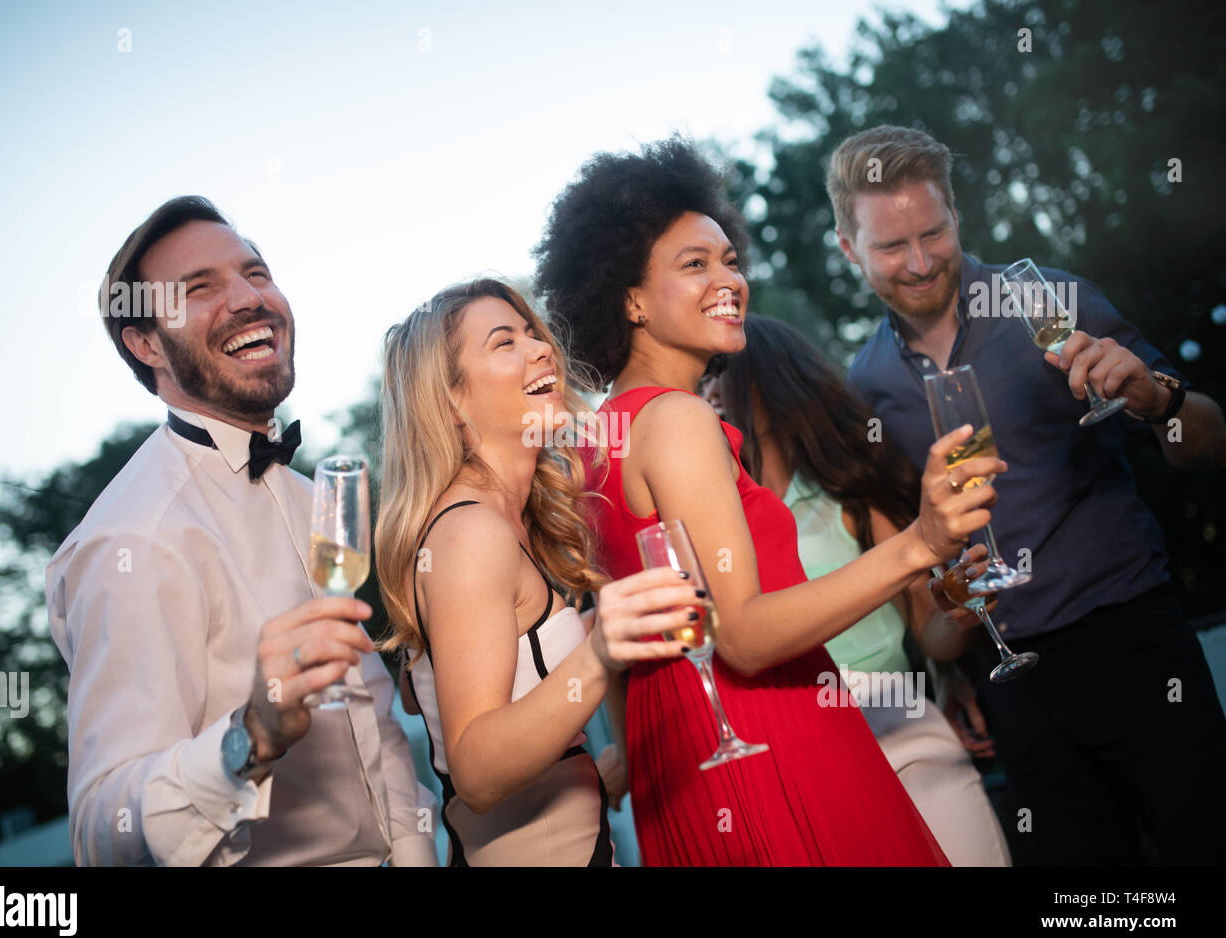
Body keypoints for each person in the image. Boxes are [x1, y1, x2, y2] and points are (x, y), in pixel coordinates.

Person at [532, 136, 1004, 866]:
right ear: (627, 297)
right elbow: (745, 634)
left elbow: (624, 656)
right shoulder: (679, 419)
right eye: (694, 264)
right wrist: (920, 543)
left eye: (730, 259)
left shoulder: (594, 443)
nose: (729, 279)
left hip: (684, 762)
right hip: (774, 737)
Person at [831, 124, 1226, 865]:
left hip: (1132, 638)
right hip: (1009, 676)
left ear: (956, 216)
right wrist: (946, 664)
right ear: (850, 249)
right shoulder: (865, 386)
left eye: (934, 232)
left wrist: (1158, 400)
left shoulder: (1048, 299)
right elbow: (913, 565)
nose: (919, 263)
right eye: (891, 246)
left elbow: (1208, 440)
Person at [46, 196, 437, 866]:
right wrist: (249, 736)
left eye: (255, 274)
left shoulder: (319, 499)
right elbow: (99, 828)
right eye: (199, 288)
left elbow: (377, 734)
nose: (247, 298)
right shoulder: (133, 540)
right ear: (145, 345)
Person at [374, 278, 695, 865]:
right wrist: (601, 653)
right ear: (450, 400)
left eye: (531, 332)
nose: (542, 347)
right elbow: (475, 769)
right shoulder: (471, 533)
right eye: (503, 343)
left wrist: (592, 772)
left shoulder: (498, 520)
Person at [701, 314, 1011, 866]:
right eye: (700, 380)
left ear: (768, 381)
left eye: (718, 373)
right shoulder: (710, 523)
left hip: (897, 723)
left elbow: (932, 636)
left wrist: (957, 611)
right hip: (793, 752)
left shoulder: (849, 496)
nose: (705, 392)